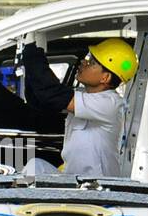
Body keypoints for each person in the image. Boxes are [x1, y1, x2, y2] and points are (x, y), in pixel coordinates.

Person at [19, 37, 138, 177]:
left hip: (97, 188)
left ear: (105, 78)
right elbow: (43, 100)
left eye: (92, 62)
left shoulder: (110, 103)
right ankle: (19, 198)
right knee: (34, 167)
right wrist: (33, 53)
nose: (83, 62)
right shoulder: (83, 95)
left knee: (34, 170)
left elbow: (52, 93)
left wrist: (30, 50)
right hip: (74, 180)